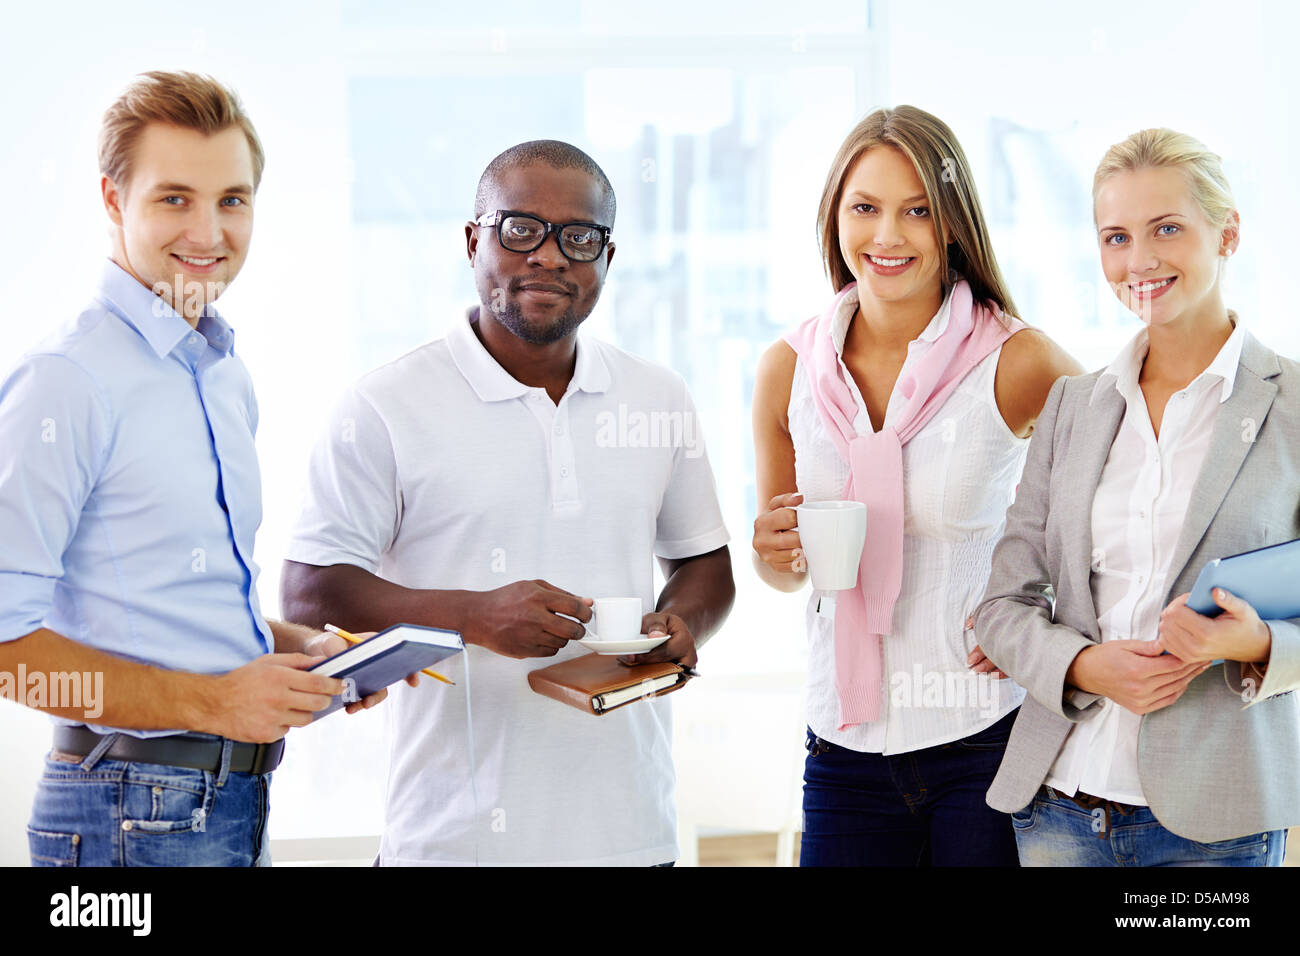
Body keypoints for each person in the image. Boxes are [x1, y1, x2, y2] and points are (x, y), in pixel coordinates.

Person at [279, 140, 734, 866]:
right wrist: (473, 617)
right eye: (519, 229)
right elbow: (308, 596)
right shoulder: (385, 403)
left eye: (578, 238)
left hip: (632, 838)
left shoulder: (658, 398)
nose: (549, 256)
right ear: (472, 241)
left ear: (606, 261)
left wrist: (683, 626)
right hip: (451, 845)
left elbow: (706, 565)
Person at [0, 71, 397, 868]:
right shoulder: (67, 380)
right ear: (113, 201)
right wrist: (217, 700)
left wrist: (293, 649)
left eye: (233, 200)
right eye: (174, 198)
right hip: (125, 812)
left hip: (228, 803)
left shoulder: (219, 372)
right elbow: (6, 647)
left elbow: (167, 606)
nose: (209, 232)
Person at [751, 105, 1080, 866]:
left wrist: (1041, 619)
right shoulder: (788, 369)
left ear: (953, 225)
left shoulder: (1018, 360)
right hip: (842, 742)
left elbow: (1121, 504)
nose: (888, 236)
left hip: (984, 737)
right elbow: (777, 569)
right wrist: (775, 551)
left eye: (917, 211)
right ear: (835, 217)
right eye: (865, 208)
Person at [975, 127, 1300, 866]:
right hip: (1062, 804)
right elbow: (1001, 606)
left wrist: (1254, 644)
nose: (1140, 260)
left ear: (1229, 234)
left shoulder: (1293, 406)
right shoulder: (1072, 406)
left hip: (1218, 818)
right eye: (1116, 237)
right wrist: (1087, 666)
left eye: (1167, 229)